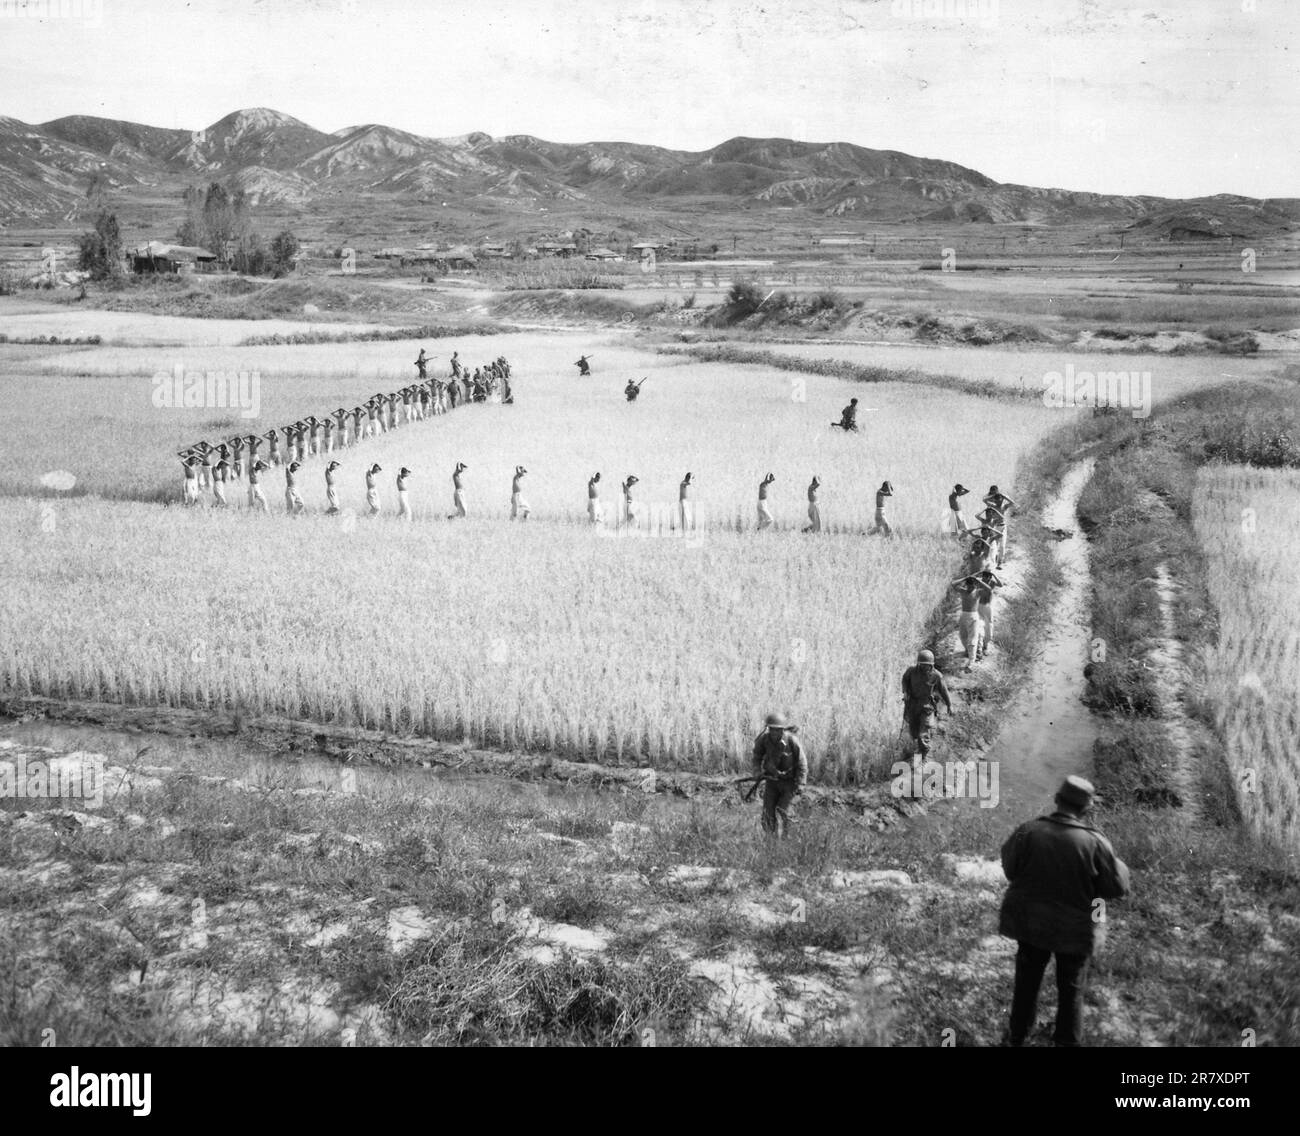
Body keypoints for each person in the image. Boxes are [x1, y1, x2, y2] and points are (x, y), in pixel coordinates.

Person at [999, 776, 1131, 1047]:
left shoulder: (1028, 830)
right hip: (1075, 931)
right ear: (1086, 809)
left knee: (1026, 984)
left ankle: (1018, 1037)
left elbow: (1011, 870)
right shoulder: (1095, 842)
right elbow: (1116, 888)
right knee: (1071, 991)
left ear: (1057, 799)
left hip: (1030, 924)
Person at [751, 712, 808, 838]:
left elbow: (802, 763)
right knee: (767, 812)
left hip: (789, 783)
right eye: (771, 729)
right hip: (771, 781)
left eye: (777, 730)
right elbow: (757, 757)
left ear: (782, 730)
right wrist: (756, 771)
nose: (774, 733)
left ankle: (789, 838)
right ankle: (771, 839)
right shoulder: (764, 739)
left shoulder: (792, 740)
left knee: (784, 810)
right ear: (768, 729)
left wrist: (801, 784)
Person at [900, 649, 952, 760]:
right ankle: (918, 750)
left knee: (922, 735)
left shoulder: (937, 676)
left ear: (931, 665)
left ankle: (924, 755)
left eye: (927, 665)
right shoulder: (911, 671)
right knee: (914, 732)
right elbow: (904, 680)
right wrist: (905, 692)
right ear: (919, 664)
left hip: (927, 707)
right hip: (913, 705)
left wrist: (949, 705)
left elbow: (944, 691)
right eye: (922, 665)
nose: (925, 667)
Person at [951, 575, 983, 672]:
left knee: (972, 639)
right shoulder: (963, 591)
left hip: (973, 616)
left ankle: (971, 662)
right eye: (969, 586)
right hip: (964, 615)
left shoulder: (978, 592)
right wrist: (965, 578)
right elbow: (953, 584)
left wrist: (978, 580)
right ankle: (969, 652)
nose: (970, 588)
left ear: (975, 585)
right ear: (966, 585)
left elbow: (988, 589)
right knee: (963, 636)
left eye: (972, 586)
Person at [983, 486, 1017, 567]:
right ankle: (993, 562)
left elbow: (1012, 503)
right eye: (998, 499)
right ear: (995, 500)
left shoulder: (1004, 506)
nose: (1000, 501)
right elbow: (984, 500)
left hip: (1003, 527)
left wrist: (1004, 496)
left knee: (1002, 545)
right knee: (994, 546)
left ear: (1002, 499)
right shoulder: (993, 506)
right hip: (994, 527)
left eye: (1001, 499)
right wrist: (994, 495)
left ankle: (1000, 562)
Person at [976, 568, 1003, 659]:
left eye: (986, 576)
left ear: (989, 577)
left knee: (989, 627)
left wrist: (994, 575)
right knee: (979, 627)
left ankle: (985, 645)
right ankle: (979, 648)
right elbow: (971, 577)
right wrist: (979, 573)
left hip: (988, 608)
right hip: (979, 606)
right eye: (983, 575)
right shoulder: (979, 581)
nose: (984, 578)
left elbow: (1001, 584)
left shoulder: (992, 583)